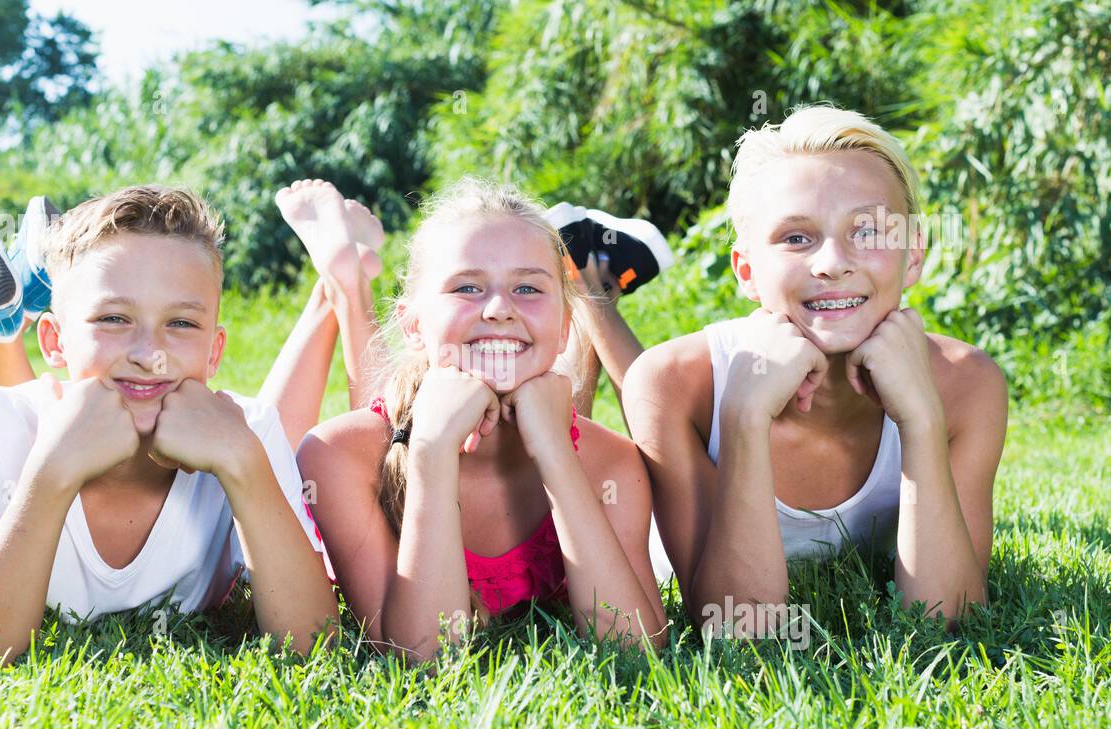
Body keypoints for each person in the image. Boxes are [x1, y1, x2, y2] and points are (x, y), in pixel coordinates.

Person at [0, 181, 339, 663]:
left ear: (215, 351)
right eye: (113, 319)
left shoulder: (247, 430)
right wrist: (51, 473)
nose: (149, 354)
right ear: (54, 343)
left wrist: (244, 466)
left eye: (181, 323)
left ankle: (7, 318)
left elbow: (314, 643)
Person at [621, 105, 1008, 637]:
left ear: (912, 255)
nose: (831, 262)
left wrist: (920, 421)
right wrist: (743, 414)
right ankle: (592, 298)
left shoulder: (968, 383)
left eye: (868, 232)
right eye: (796, 238)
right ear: (748, 272)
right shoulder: (670, 383)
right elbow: (739, 629)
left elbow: (947, 621)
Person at [294, 177, 668, 662]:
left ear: (563, 331)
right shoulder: (335, 458)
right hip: (394, 425)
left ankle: (594, 288)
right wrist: (430, 451)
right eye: (467, 287)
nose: (498, 309)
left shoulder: (614, 464)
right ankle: (345, 281)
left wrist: (556, 453)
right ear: (412, 325)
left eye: (528, 287)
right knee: (379, 421)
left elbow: (635, 648)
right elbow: (421, 658)